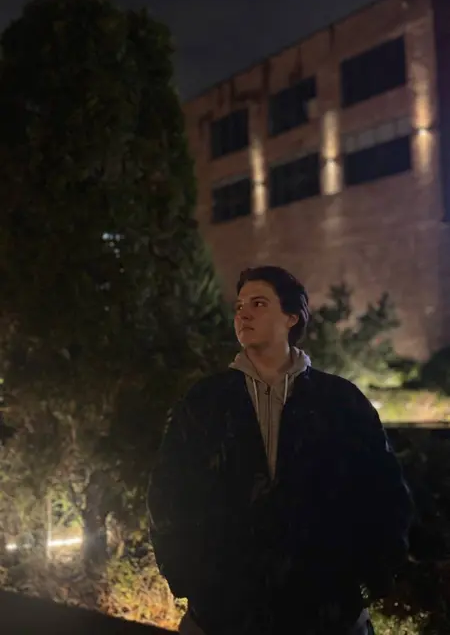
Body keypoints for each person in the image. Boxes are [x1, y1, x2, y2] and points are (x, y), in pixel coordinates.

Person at [147, 266, 414, 635]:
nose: (243, 314)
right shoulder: (206, 401)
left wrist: (372, 577)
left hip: (326, 607)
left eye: (259, 303)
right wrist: (188, 577)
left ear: (292, 317)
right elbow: (169, 490)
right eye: (240, 306)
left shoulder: (340, 400)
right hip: (225, 609)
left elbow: (384, 490)